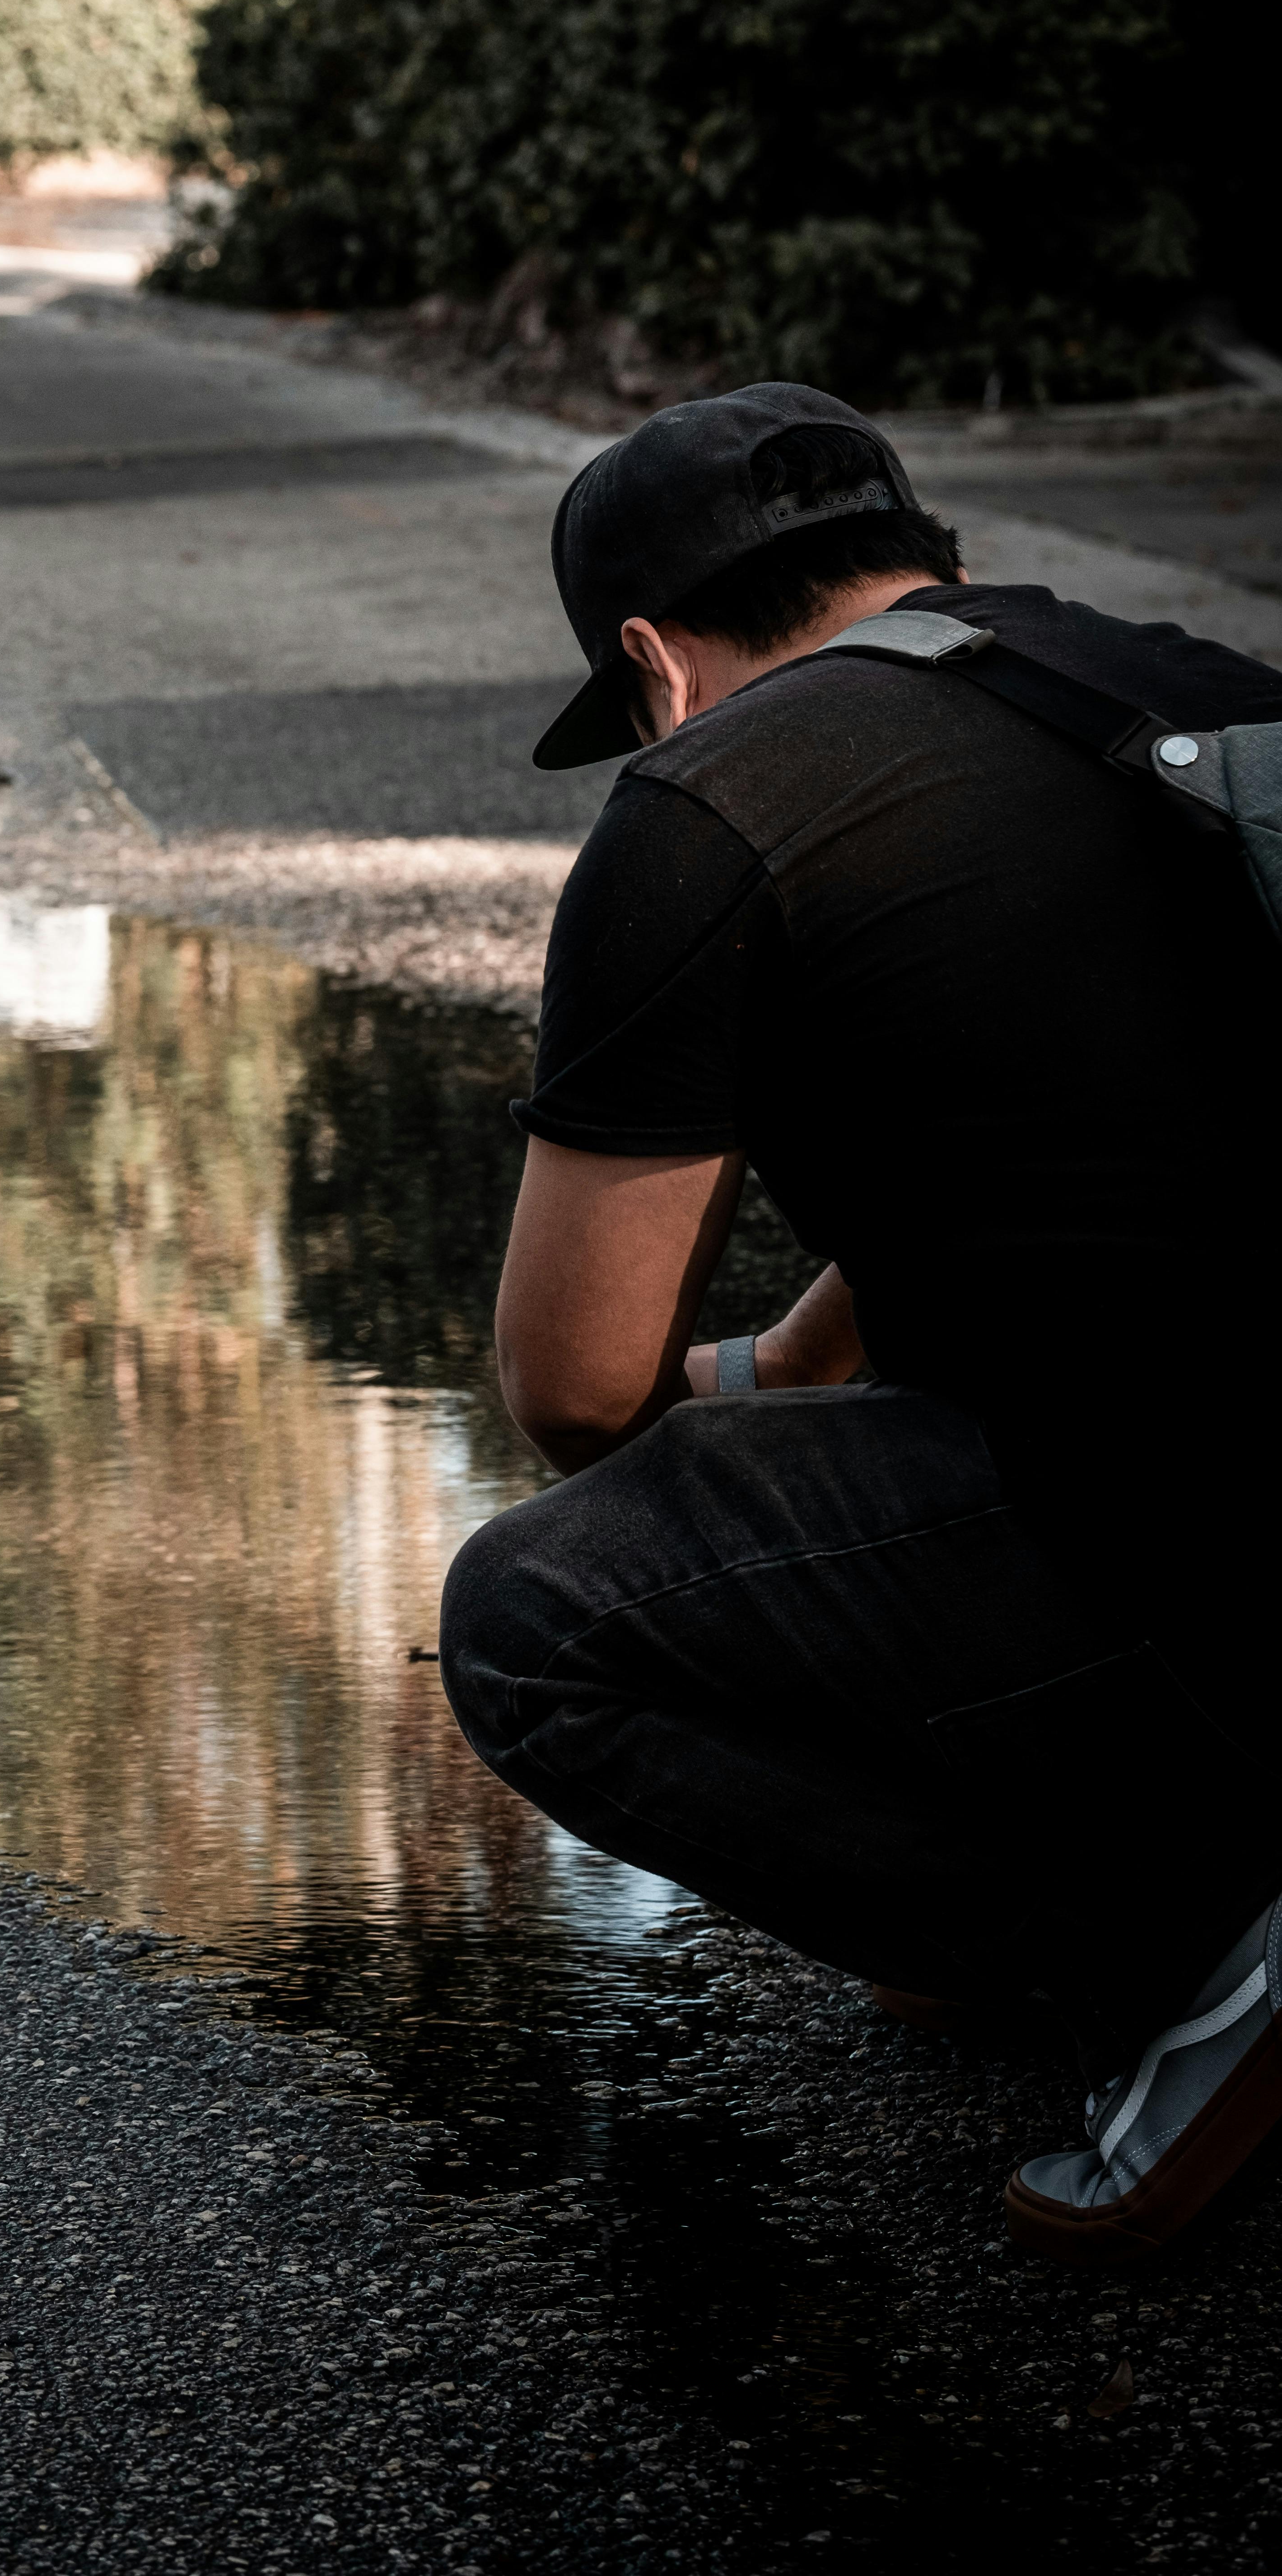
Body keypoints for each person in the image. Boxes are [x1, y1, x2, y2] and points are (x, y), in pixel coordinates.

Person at [438, 380, 1282, 2264]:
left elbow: (571, 1388)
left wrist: (715, 1423)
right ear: (921, 562)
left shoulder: (709, 799)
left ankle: (1178, 1948)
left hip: (1212, 1540)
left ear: (653, 664)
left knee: (532, 1620)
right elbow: (1088, 1137)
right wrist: (792, 1369)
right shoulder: (1176, 681)